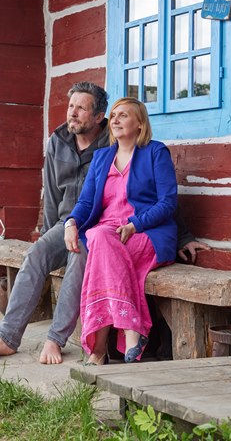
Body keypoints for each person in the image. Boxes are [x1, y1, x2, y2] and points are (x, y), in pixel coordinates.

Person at [0, 82, 111, 365]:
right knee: (37, 253)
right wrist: (49, 240)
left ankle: (55, 340)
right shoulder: (58, 140)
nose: (72, 113)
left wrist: (181, 238)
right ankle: (6, 338)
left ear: (98, 116)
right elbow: (51, 193)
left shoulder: (112, 142)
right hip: (65, 223)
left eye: (81, 108)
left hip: (99, 227)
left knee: (77, 256)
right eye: (71, 106)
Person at [64, 97, 177, 365]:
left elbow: (168, 202)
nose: (114, 120)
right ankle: (131, 330)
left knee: (101, 253)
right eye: (113, 115)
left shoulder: (155, 152)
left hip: (145, 233)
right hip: (107, 233)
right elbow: (87, 202)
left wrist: (135, 224)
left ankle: (99, 348)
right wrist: (72, 222)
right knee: (101, 238)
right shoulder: (102, 157)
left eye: (123, 115)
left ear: (139, 124)